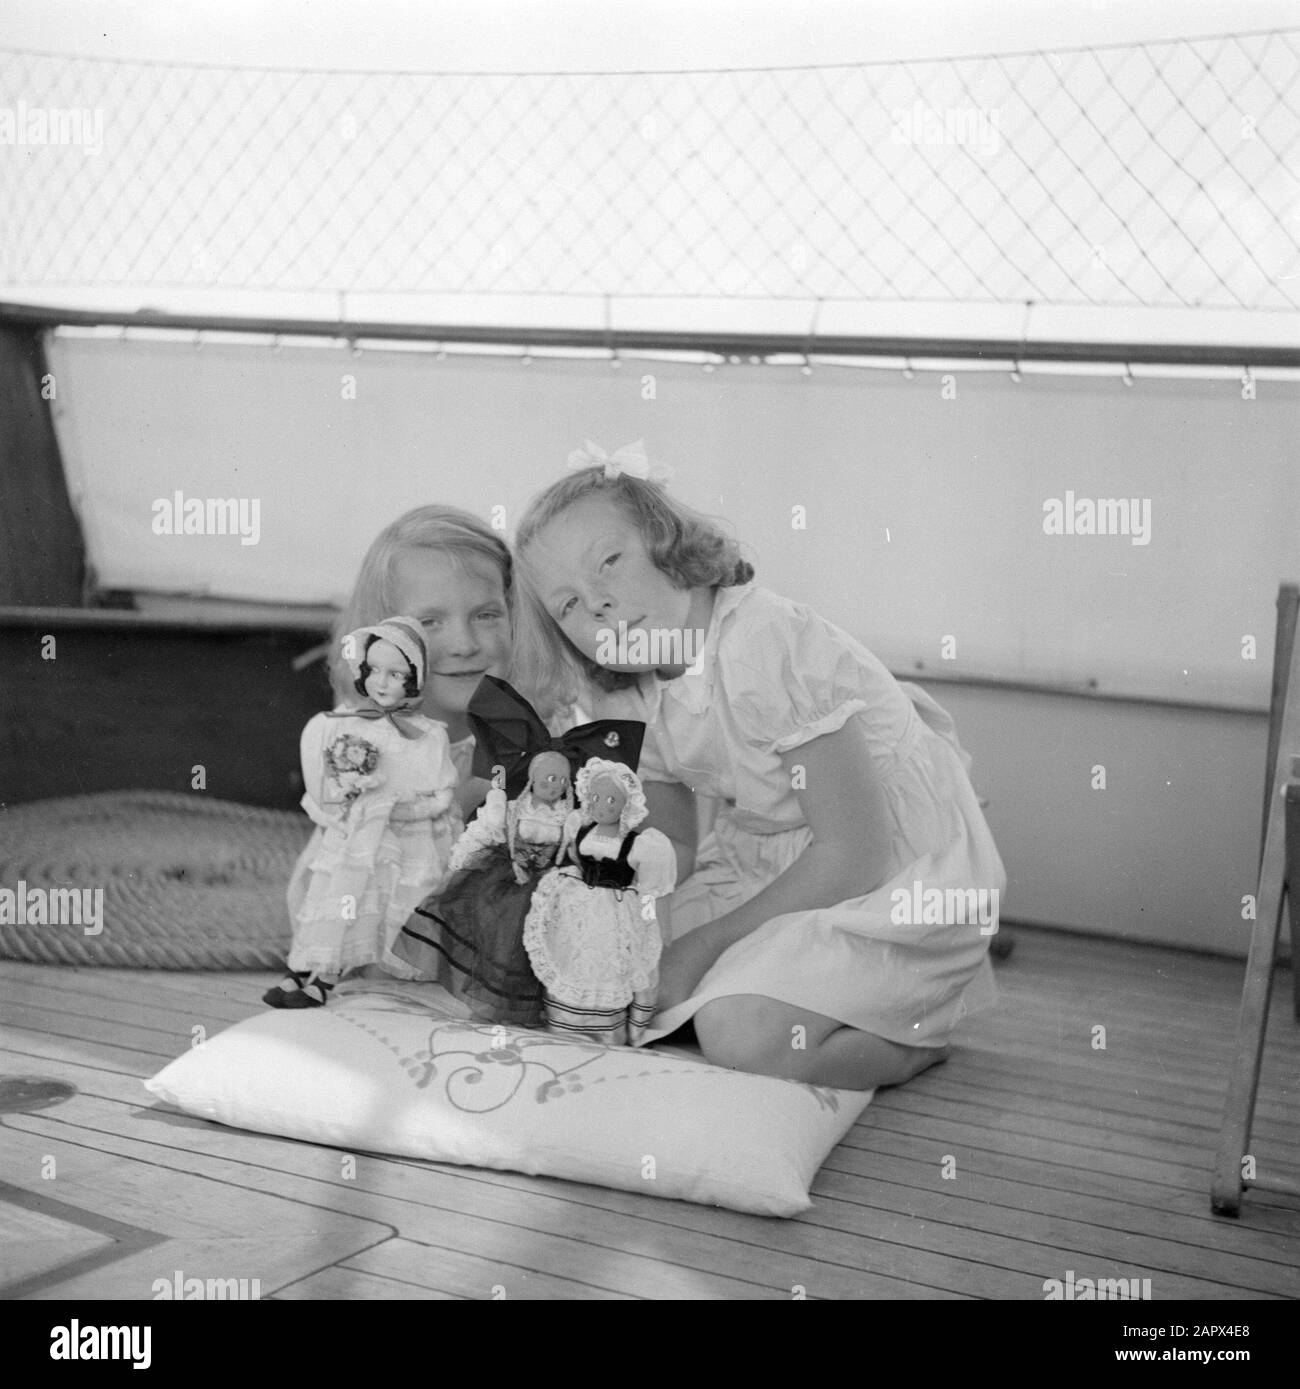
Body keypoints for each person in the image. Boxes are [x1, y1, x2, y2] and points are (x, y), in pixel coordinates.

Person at [508, 449, 1006, 1089]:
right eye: (569, 604)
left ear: (665, 540)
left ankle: (914, 1042)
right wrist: (609, 907)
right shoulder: (624, 694)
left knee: (743, 1034)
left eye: (608, 562)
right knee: (595, 975)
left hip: (882, 869)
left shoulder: (766, 645)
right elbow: (676, 842)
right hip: (763, 859)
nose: (599, 603)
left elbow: (855, 854)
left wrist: (701, 946)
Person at [265, 616, 460, 1007]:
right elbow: (329, 785)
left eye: (395, 674)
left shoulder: (428, 736)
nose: (381, 683)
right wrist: (345, 800)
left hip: (396, 841)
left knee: (360, 905)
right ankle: (301, 968)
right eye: (373, 670)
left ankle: (327, 979)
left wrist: (399, 810)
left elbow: (441, 796)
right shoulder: (348, 725)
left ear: (414, 678)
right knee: (327, 895)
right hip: (352, 834)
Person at [523, 758, 676, 1045]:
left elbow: (652, 889)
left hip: (616, 909)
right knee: (571, 954)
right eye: (595, 797)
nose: (602, 805)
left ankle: (606, 1028)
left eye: (611, 800)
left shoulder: (641, 844)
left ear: (627, 805)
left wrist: (654, 923)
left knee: (611, 961)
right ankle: (565, 1020)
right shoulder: (580, 828)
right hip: (581, 904)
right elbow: (574, 860)